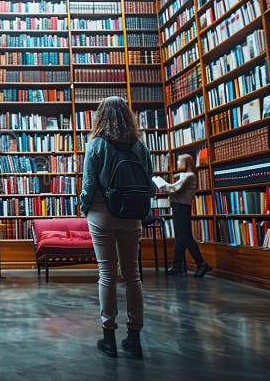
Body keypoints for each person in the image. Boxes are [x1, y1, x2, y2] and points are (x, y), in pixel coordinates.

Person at [79, 96, 154, 359]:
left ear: (101, 116)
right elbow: (149, 182)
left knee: (107, 274)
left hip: (102, 212)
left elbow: (88, 183)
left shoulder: (96, 144)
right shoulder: (139, 145)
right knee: (132, 275)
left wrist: (84, 207)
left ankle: (108, 336)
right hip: (132, 213)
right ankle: (134, 336)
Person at [161, 154, 212, 277]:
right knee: (180, 237)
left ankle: (201, 263)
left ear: (187, 162)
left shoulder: (189, 176)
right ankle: (177, 267)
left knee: (186, 236)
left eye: (179, 161)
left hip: (181, 208)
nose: (178, 163)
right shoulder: (189, 176)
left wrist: (162, 183)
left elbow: (174, 189)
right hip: (180, 207)